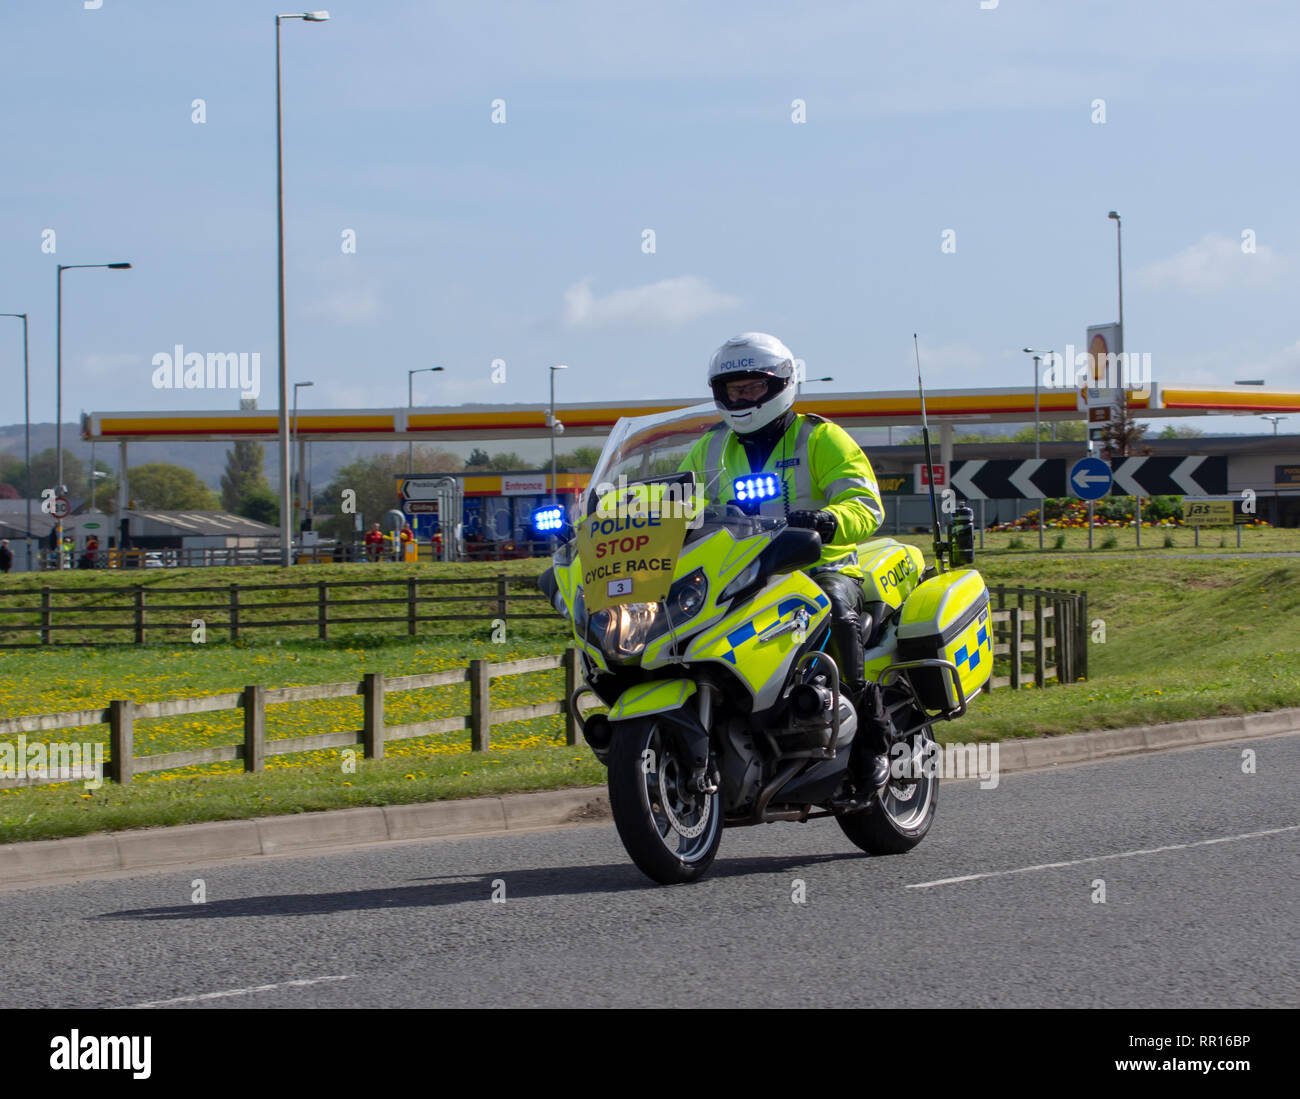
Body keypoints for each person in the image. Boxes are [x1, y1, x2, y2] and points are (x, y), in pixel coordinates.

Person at [678, 332, 895, 794]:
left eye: (753, 388)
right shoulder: (710, 447)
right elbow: (679, 500)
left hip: (820, 565)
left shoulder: (821, 437)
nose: (743, 398)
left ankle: (867, 740)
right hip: (738, 573)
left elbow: (866, 503)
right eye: (734, 390)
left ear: (781, 384)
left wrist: (829, 519)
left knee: (835, 605)